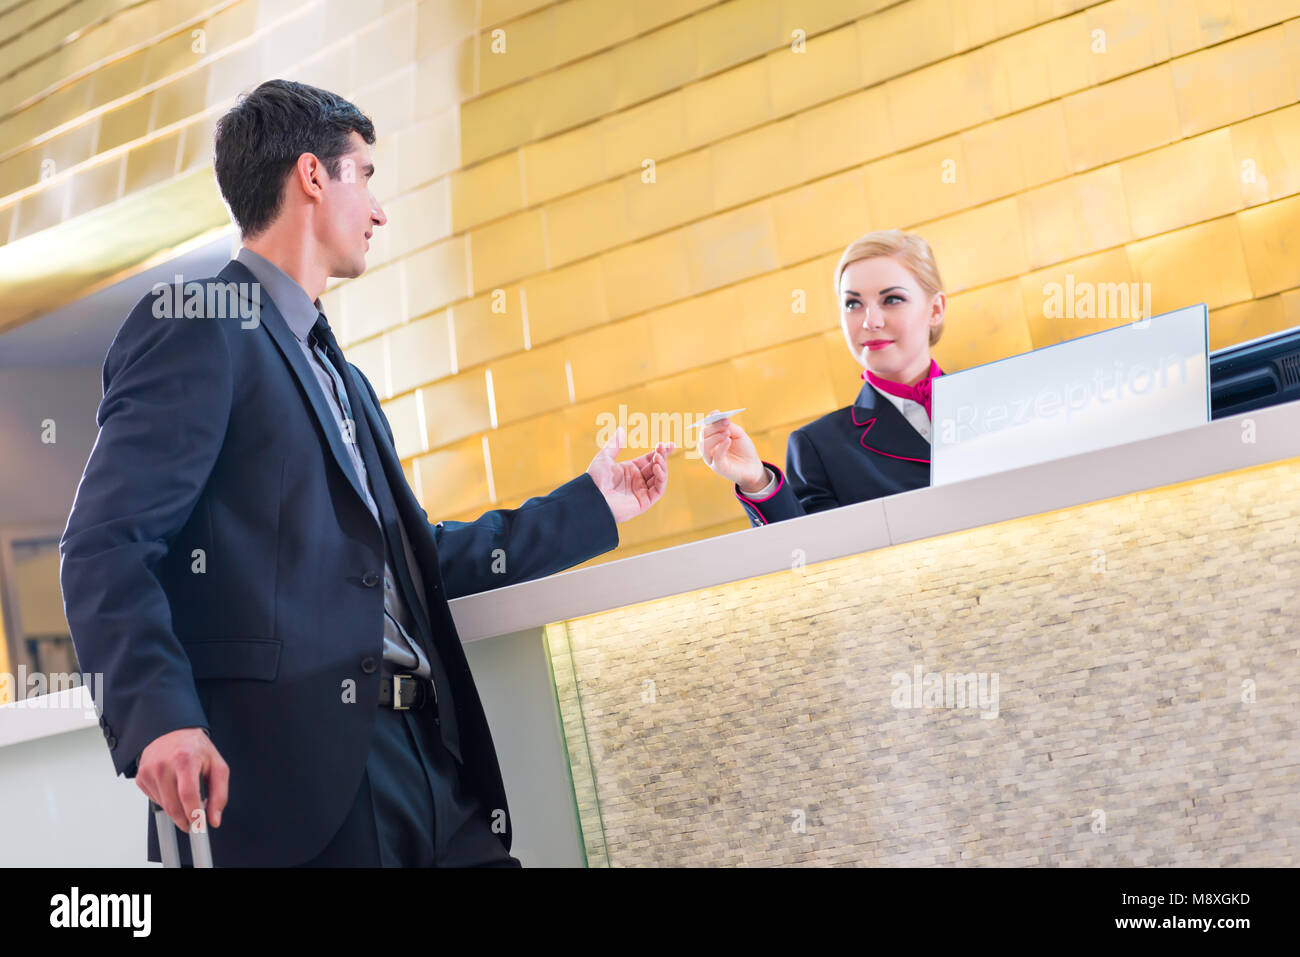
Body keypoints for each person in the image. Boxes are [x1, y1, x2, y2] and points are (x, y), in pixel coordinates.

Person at [58, 79, 674, 867]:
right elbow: (107, 543)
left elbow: (408, 557)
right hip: (301, 786)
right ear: (314, 176)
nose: (379, 210)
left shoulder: (341, 377)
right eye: (367, 176)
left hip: (427, 756)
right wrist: (157, 717)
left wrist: (594, 506)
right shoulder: (198, 324)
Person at [700, 229, 945, 525]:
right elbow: (810, 555)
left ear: (935, 309)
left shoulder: (1000, 400)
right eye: (853, 304)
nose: (871, 321)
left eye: (891, 299)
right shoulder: (819, 446)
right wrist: (756, 481)